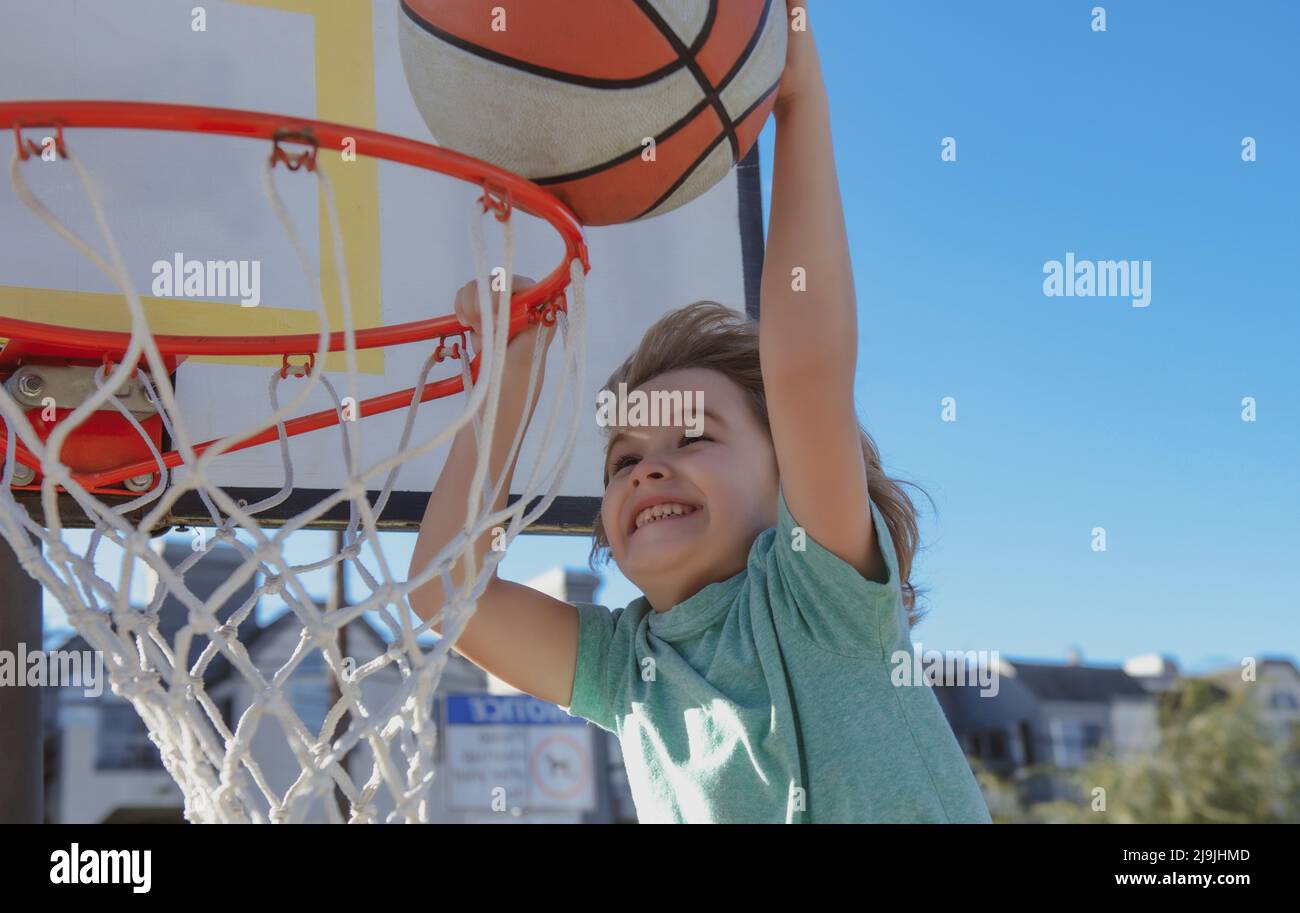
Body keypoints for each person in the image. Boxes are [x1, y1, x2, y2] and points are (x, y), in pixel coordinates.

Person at [410, 2, 992, 824]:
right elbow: (446, 594)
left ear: (787, 470)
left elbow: (807, 369)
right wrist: (511, 375)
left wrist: (797, 103)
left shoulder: (816, 597)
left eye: (694, 436)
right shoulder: (628, 668)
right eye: (622, 460)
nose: (648, 465)